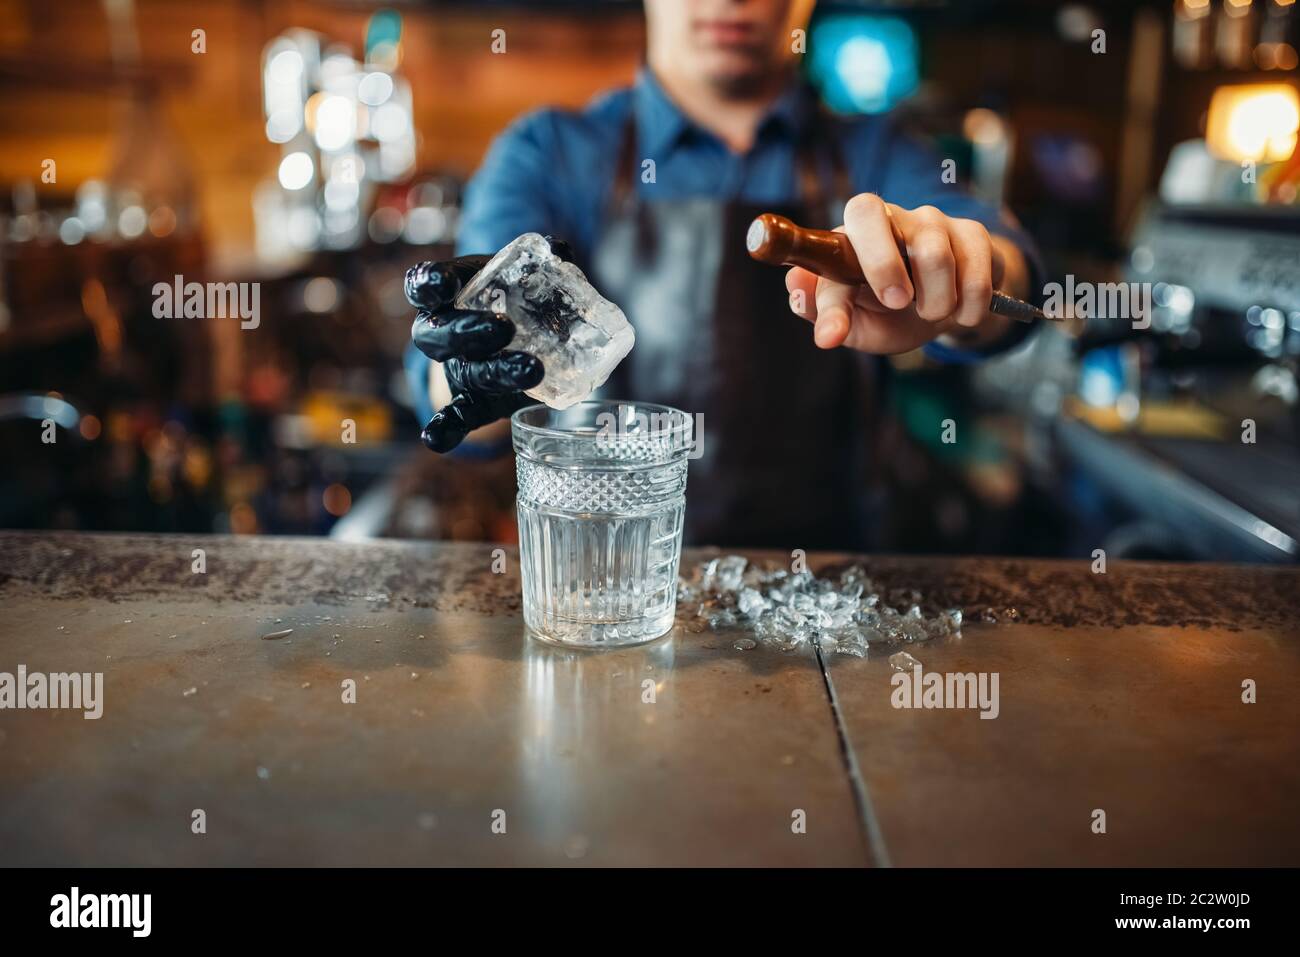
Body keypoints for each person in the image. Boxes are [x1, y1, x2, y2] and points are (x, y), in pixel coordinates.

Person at [404, 0, 1041, 550]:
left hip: (831, 586)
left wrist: (958, 265)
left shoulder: (878, 151)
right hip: (608, 578)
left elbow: (1009, 271)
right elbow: (451, 360)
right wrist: (461, 368)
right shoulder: (552, 153)